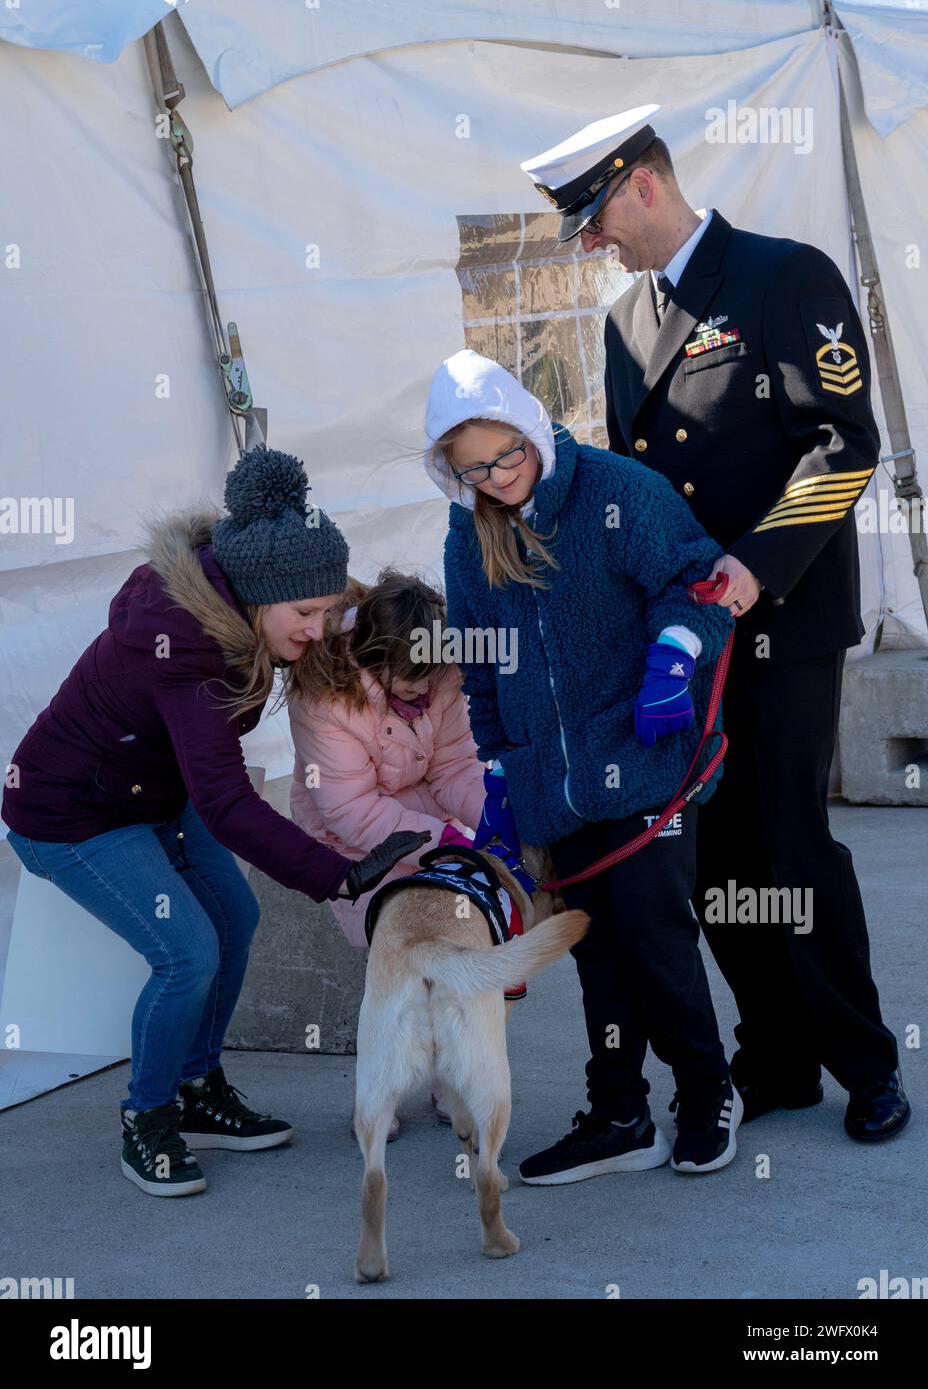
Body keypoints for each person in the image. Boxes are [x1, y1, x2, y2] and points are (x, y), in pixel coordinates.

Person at [520, 106, 908, 1141]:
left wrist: (752, 567)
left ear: (642, 183)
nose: (590, 241)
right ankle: (774, 1054)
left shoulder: (785, 276)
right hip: (683, 631)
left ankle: (865, 1062)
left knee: (788, 845)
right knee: (718, 855)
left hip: (778, 614)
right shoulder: (621, 325)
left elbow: (842, 444)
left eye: (593, 217)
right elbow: (639, 489)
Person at [1, 446, 430, 1197]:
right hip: (70, 815)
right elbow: (227, 805)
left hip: (152, 793)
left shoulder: (258, 596)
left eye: (327, 612)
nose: (319, 630)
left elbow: (344, 608)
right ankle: (148, 1117)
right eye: (306, 615)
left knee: (234, 914)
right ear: (261, 598)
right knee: (187, 951)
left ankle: (198, 1089)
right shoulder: (191, 654)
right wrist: (338, 875)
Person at [422, 347, 738, 1183]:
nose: (496, 478)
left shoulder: (618, 491)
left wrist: (675, 654)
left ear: (532, 429)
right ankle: (619, 1112)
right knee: (593, 945)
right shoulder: (470, 534)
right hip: (551, 782)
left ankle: (706, 1093)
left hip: (644, 758)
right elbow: (481, 661)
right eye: (473, 469)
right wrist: (496, 768)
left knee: (653, 932)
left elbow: (695, 582)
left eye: (506, 454)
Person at [288, 568, 496, 1134]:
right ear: (372, 661)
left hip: (425, 816)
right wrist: (443, 841)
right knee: (397, 966)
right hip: (354, 844)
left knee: (455, 952)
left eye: (432, 680)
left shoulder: (440, 672)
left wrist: (493, 822)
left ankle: (449, 1080)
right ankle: (377, 1096)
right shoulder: (323, 695)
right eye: (410, 683)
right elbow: (349, 809)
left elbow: (455, 764)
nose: (425, 693)